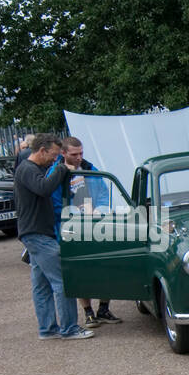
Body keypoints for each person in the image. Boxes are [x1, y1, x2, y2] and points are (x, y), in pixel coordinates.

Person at [15, 134, 93, 340]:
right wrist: (61, 169)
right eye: (54, 155)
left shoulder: (32, 169)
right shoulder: (28, 169)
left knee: (41, 286)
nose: (55, 159)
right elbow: (44, 189)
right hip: (37, 234)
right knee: (63, 280)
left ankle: (47, 329)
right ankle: (69, 328)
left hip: (38, 233)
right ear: (42, 150)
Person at [51, 136, 120, 328]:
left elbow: (104, 193)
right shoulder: (57, 173)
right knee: (80, 271)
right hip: (73, 228)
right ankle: (88, 312)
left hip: (97, 224)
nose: (79, 157)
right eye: (74, 154)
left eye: (81, 153)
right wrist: (75, 213)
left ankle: (104, 308)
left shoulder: (90, 168)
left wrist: (101, 209)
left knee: (107, 267)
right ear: (63, 153)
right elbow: (55, 203)